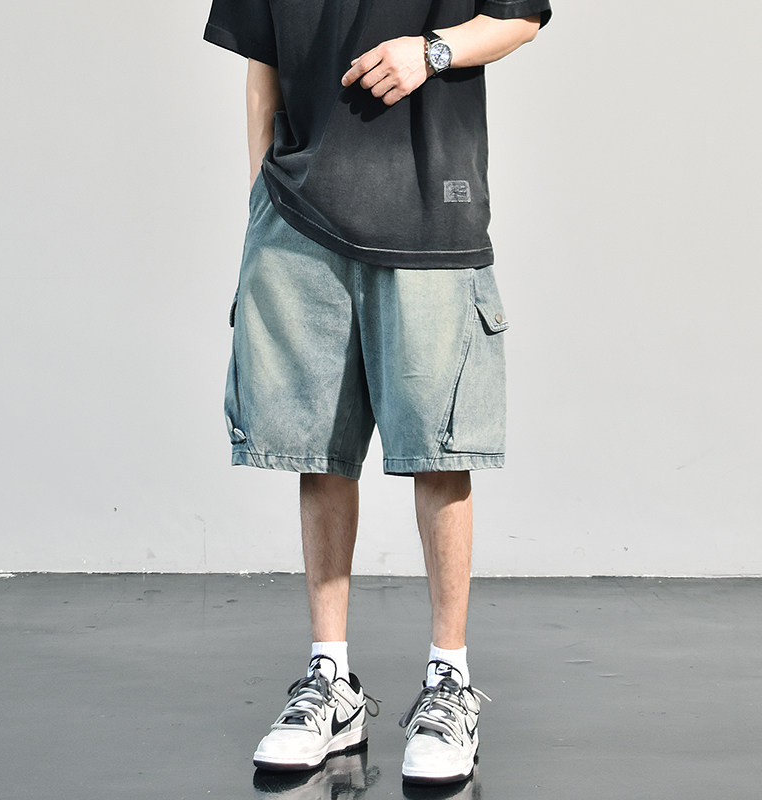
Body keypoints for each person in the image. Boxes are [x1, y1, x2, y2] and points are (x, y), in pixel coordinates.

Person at [203, 0, 551, 785]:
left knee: (440, 452)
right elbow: (262, 60)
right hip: (298, 217)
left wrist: (430, 52)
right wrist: (263, 197)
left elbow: (521, 17)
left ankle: (449, 681)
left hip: (431, 213)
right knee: (318, 451)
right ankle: (330, 681)